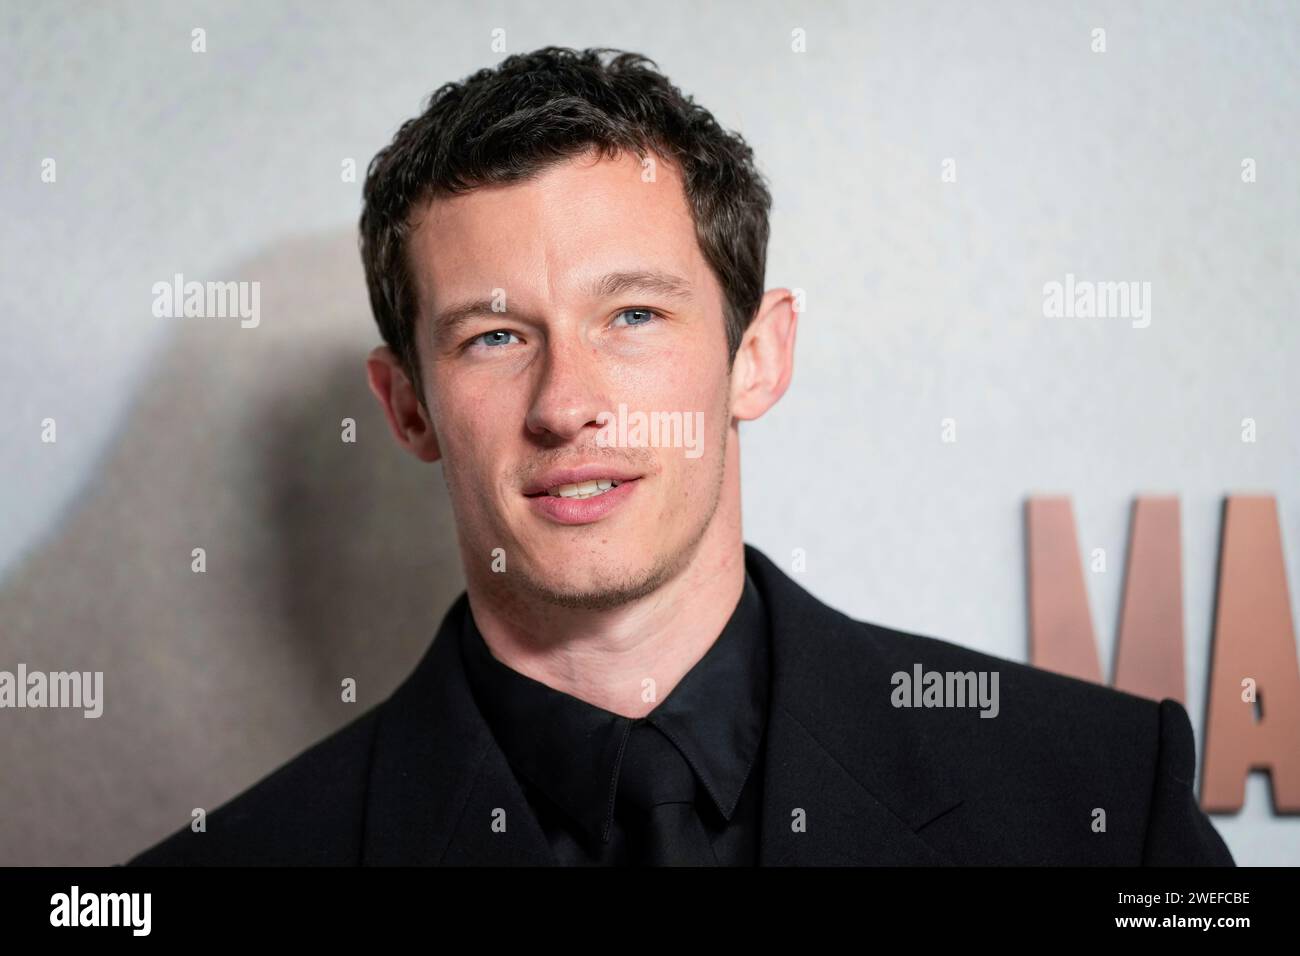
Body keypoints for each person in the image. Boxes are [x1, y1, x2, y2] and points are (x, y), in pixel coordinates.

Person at [126, 46, 1233, 867]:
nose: (567, 406)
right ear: (407, 405)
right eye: (496, 336)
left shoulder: (1089, 796)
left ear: (756, 355)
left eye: (635, 316)